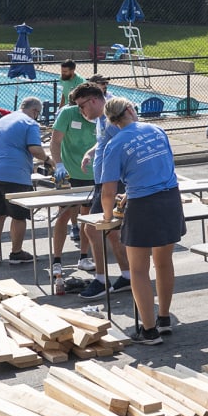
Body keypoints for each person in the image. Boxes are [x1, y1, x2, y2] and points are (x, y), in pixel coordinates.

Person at [98, 98, 185, 344]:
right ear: (129, 110)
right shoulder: (157, 130)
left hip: (143, 204)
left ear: (112, 120)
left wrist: (107, 217)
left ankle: (148, 330)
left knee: (138, 269)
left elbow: (107, 191)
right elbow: (163, 167)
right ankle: (164, 318)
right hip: (170, 198)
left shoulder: (115, 144)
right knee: (164, 262)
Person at [0, 97, 51, 267]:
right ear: (35, 111)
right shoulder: (30, 123)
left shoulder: (4, 119)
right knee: (19, 216)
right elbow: (35, 149)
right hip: (14, 174)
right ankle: (16, 252)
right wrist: (49, 160)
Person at [78, 84, 133, 301]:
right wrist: (91, 152)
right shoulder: (103, 119)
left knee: (92, 229)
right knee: (111, 232)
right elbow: (104, 141)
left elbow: (127, 141)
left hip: (112, 182)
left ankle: (101, 280)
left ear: (93, 100)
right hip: (104, 181)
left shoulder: (112, 119)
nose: (82, 111)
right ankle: (127, 276)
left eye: (82, 106)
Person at [47, 83, 106, 279]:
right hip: (67, 173)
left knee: (87, 217)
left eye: (83, 105)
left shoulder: (103, 117)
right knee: (63, 215)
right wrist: (58, 164)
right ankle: (57, 260)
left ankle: (83, 257)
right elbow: (55, 141)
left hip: (92, 175)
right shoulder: (68, 114)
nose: (81, 110)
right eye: (78, 106)